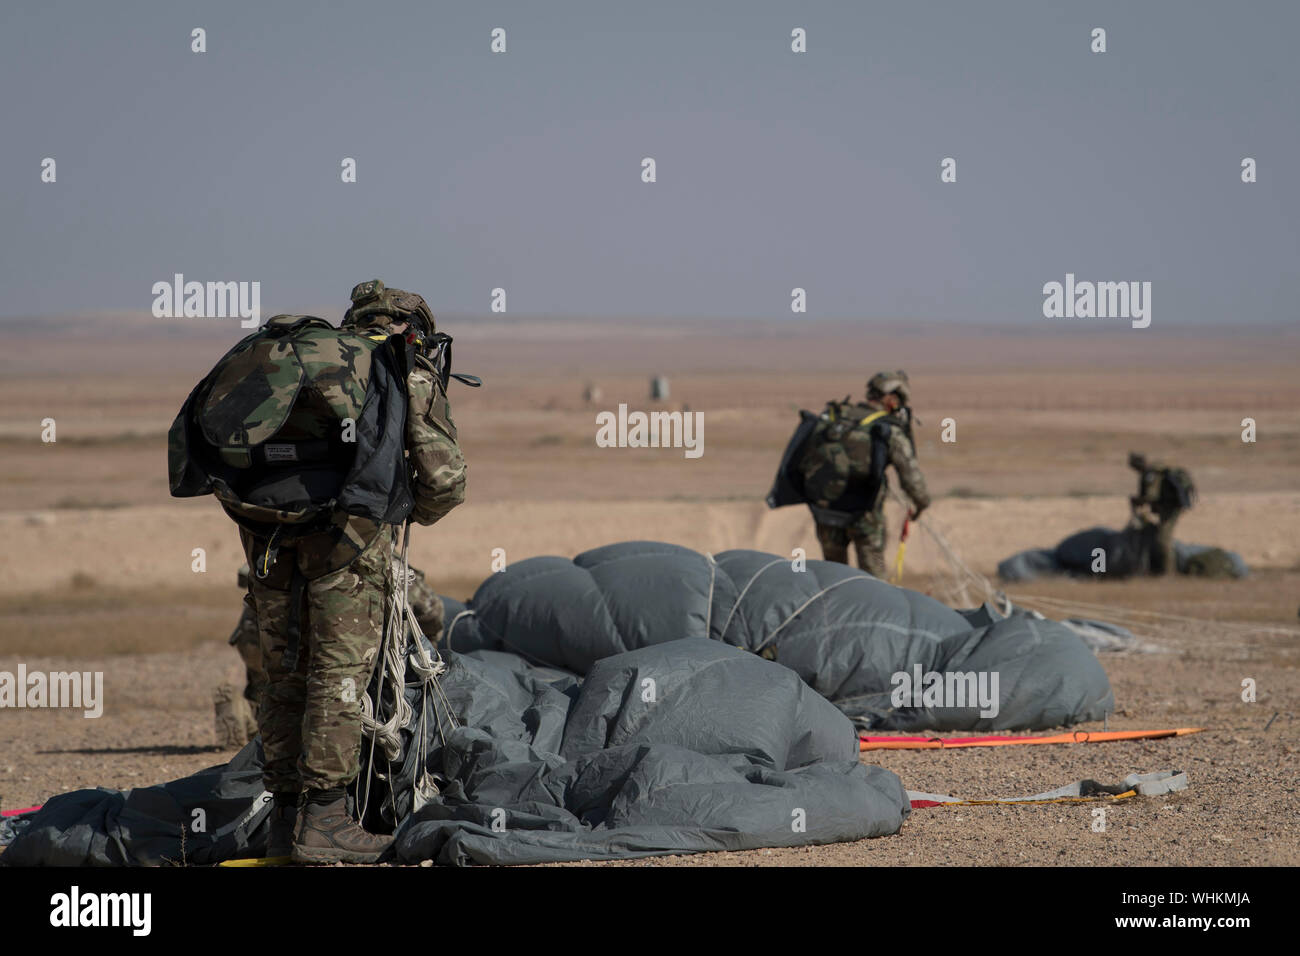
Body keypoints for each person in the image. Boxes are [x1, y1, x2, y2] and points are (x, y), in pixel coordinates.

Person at [169, 279, 467, 863]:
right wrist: (402, 506)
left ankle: (284, 819)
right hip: (347, 543)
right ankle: (326, 819)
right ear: (414, 328)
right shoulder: (397, 365)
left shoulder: (289, 359)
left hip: (266, 531)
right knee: (339, 671)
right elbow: (443, 483)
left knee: (283, 668)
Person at [215, 560, 446, 749]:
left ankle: (250, 714)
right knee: (328, 699)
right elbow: (432, 612)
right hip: (321, 647)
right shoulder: (380, 561)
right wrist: (425, 648)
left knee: (274, 693)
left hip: (257, 637)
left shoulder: (280, 544)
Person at [804, 370, 931, 578]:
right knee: (874, 584)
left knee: (833, 580)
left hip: (826, 513)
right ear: (890, 398)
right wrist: (921, 504)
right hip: (864, 516)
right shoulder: (887, 430)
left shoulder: (837, 419)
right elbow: (912, 478)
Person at [1126, 453, 1195, 576]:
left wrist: (1138, 501)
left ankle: (1169, 572)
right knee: (1160, 536)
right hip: (1167, 507)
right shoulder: (1152, 472)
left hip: (1170, 508)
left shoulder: (1150, 475)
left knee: (1164, 539)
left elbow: (1151, 496)